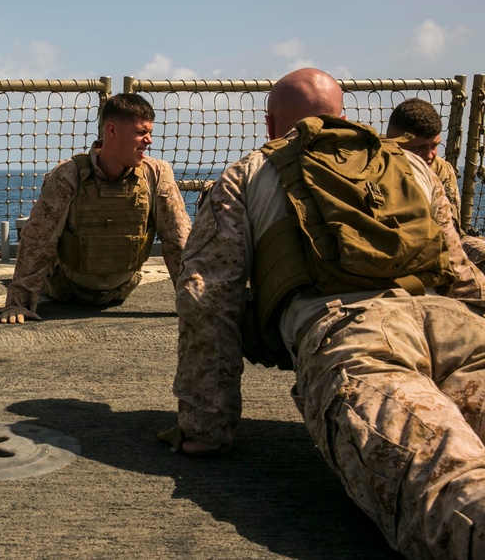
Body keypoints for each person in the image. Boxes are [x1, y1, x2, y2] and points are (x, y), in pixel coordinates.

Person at [161, 68, 485, 557]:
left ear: (271, 125)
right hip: (453, 321)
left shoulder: (248, 173)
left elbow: (207, 295)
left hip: (353, 336)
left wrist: (205, 426)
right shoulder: (411, 165)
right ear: (343, 118)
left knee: (448, 484)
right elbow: (459, 271)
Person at [0, 93, 190, 324]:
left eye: (150, 133)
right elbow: (38, 238)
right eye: (141, 132)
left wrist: (194, 301)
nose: (149, 141)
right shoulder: (67, 174)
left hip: (122, 289)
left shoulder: (156, 173)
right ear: (112, 130)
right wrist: (18, 303)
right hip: (65, 289)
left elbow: (178, 238)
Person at [386, 97, 485, 268]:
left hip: (444, 242)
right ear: (395, 142)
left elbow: (451, 230)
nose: (429, 155)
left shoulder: (440, 169)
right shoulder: (377, 165)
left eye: (434, 146)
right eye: (418, 148)